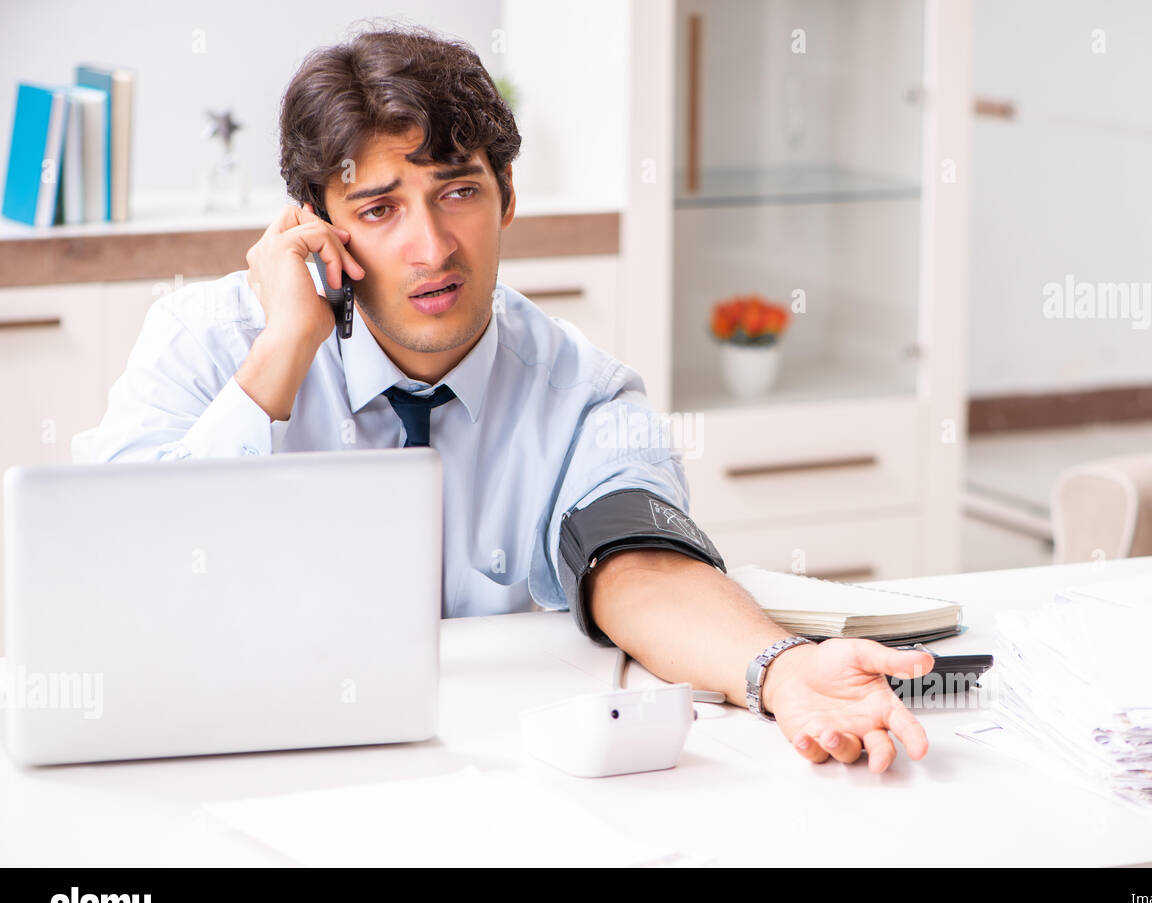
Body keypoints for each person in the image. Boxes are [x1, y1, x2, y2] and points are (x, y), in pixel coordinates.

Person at [91, 25, 934, 771]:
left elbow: (642, 569)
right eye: (379, 209)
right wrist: (282, 351)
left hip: (478, 768)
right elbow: (124, 579)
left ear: (508, 199)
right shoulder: (205, 343)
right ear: (313, 228)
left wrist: (779, 668)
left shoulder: (584, 395)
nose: (431, 247)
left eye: (459, 191)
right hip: (233, 754)